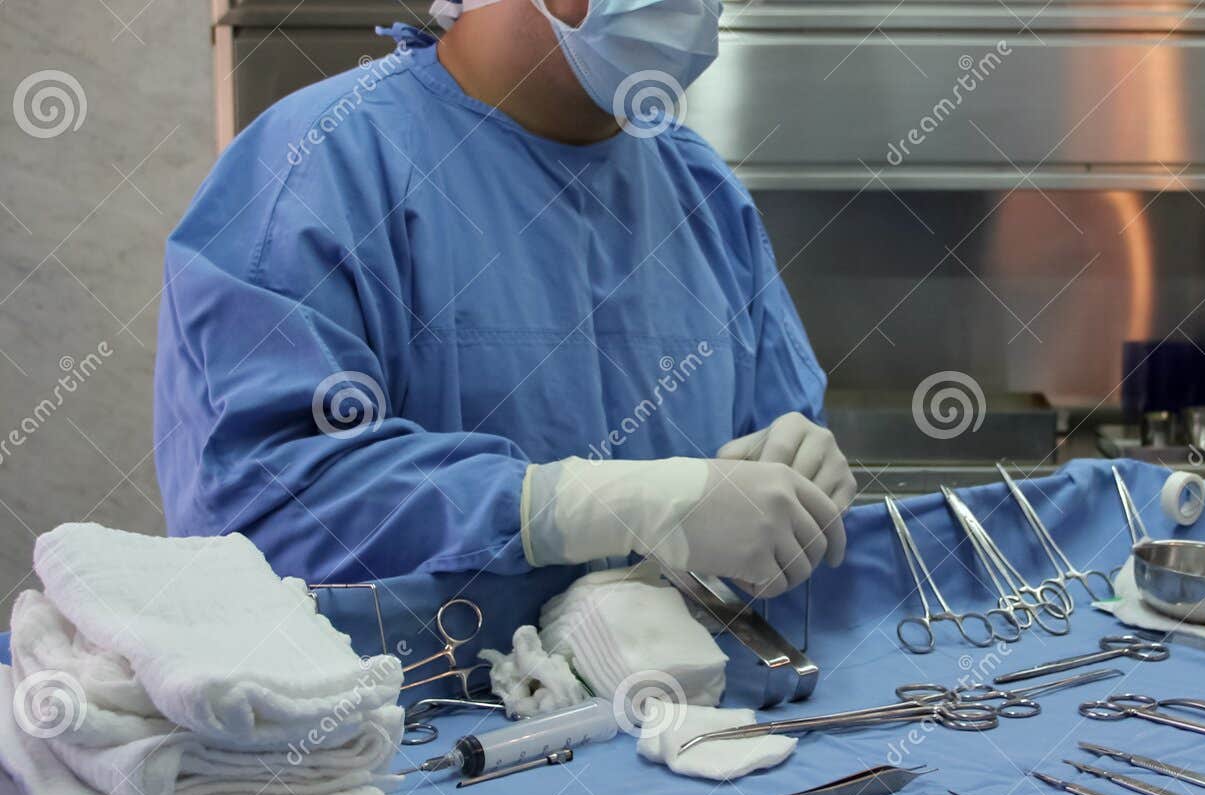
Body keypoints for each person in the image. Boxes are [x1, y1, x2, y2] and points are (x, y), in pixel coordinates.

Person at [152, 0, 854, 653]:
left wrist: (796, 492)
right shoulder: (315, 169)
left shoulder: (701, 191)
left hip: (690, 735)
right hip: (409, 746)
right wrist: (574, 510)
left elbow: (775, 456)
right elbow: (264, 515)